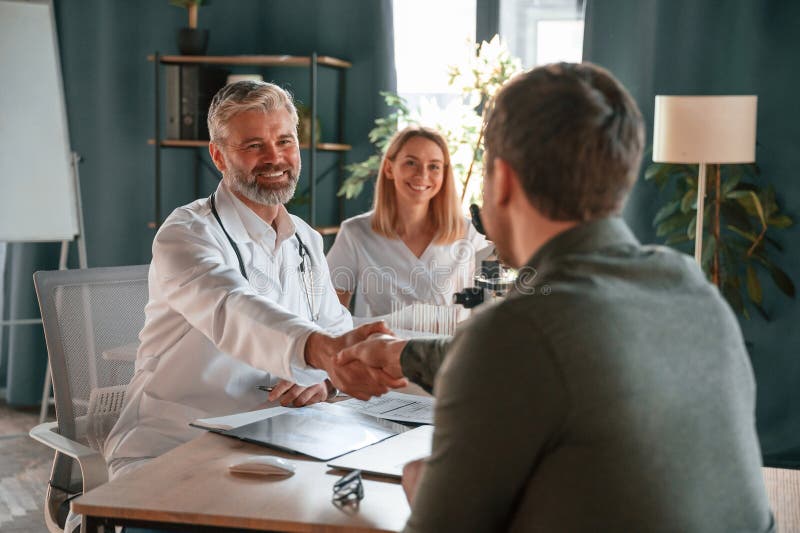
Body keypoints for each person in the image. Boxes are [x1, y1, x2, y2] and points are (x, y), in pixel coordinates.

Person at [338, 63, 775, 532]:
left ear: (502, 182)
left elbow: (509, 352)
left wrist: (424, 494)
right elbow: (523, 359)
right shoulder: (693, 289)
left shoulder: (518, 330)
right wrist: (399, 355)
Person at [104, 81, 405, 479]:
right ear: (219, 155)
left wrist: (324, 383)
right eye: (253, 145)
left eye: (285, 141)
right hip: (176, 445)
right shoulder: (187, 234)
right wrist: (322, 354)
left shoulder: (304, 239)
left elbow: (334, 331)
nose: (275, 158)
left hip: (280, 439)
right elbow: (233, 310)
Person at [326, 126, 489, 319]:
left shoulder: (471, 234)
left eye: (434, 166)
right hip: (380, 348)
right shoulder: (355, 233)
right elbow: (330, 316)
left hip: (451, 349)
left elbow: (488, 312)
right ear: (389, 168)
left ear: (444, 174)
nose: (422, 174)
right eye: (411, 163)